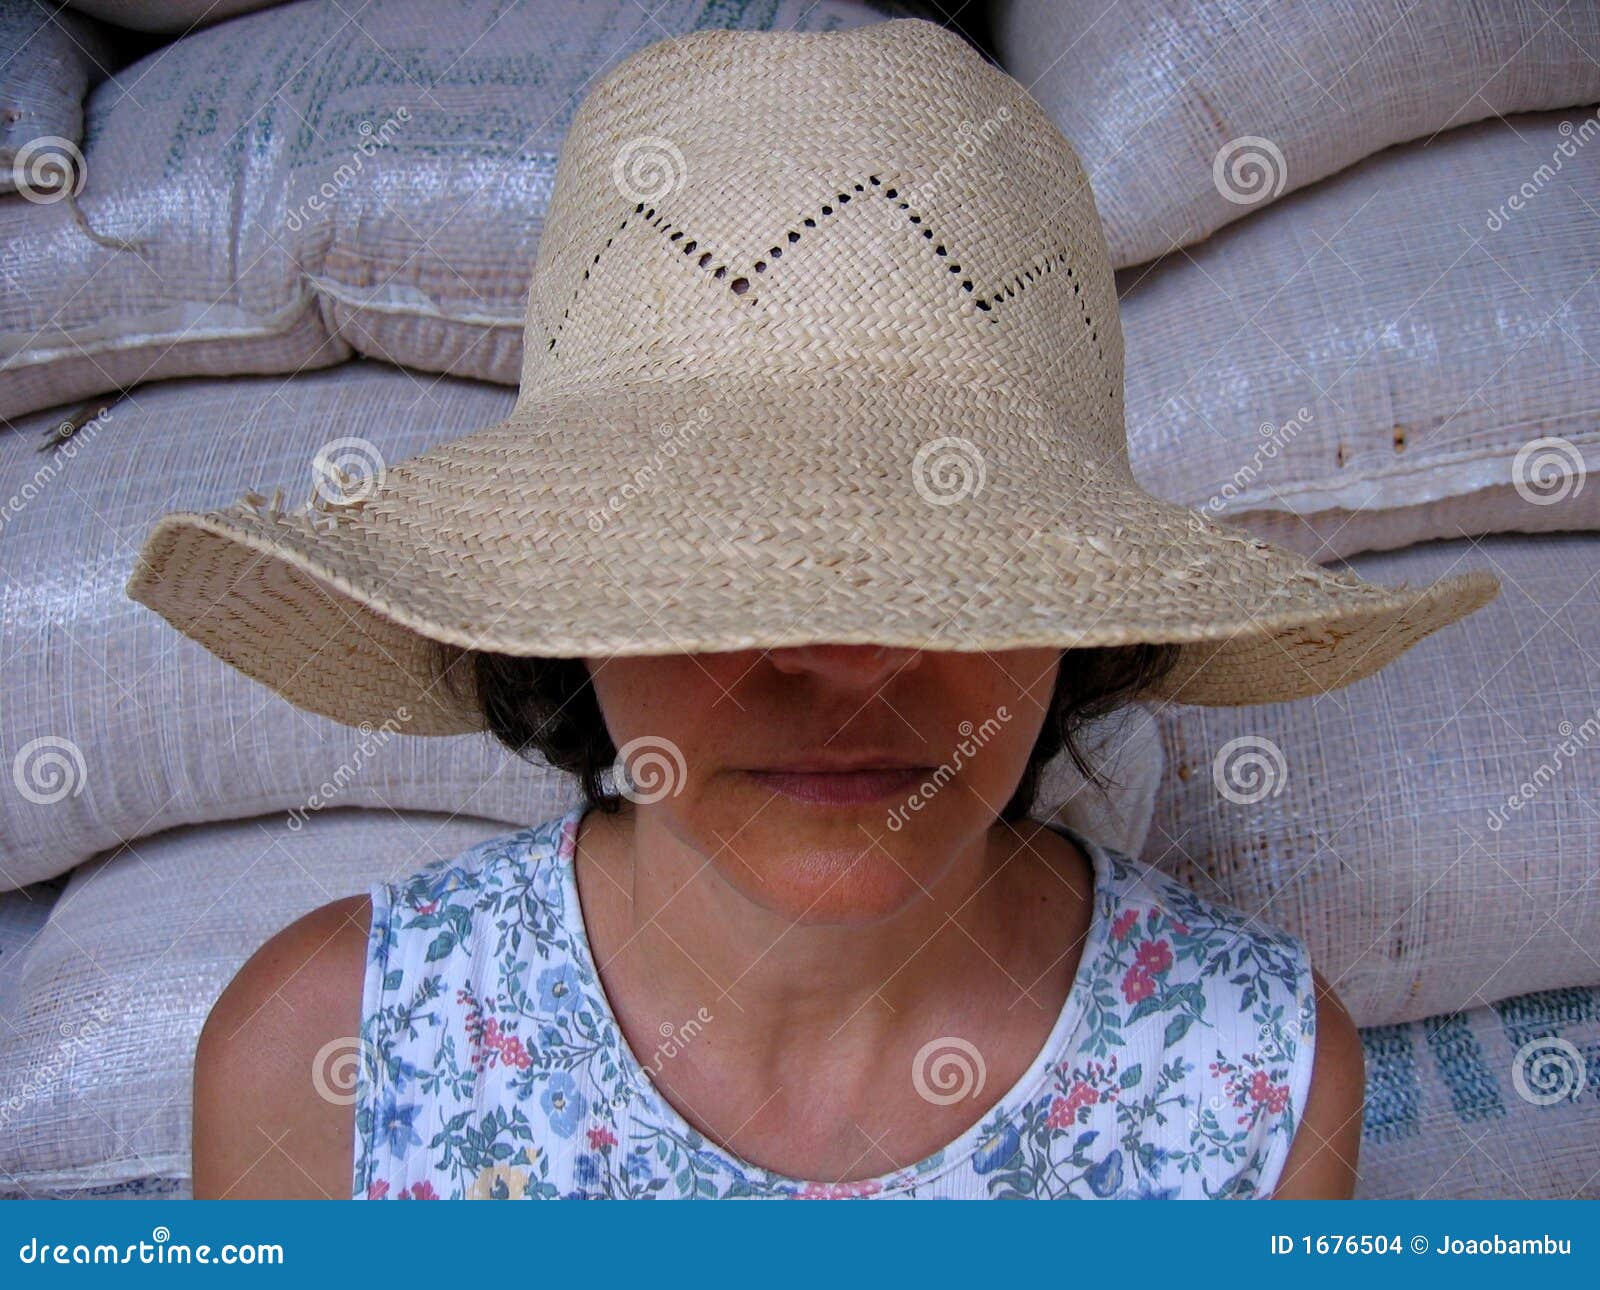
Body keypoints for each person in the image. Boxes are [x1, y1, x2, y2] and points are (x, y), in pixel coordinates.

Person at [125, 18, 1498, 1199]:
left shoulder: (1251, 1084)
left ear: (1081, 616)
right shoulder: (327, 1060)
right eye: (716, 573)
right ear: (560, 613)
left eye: (953, 574)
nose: (847, 658)